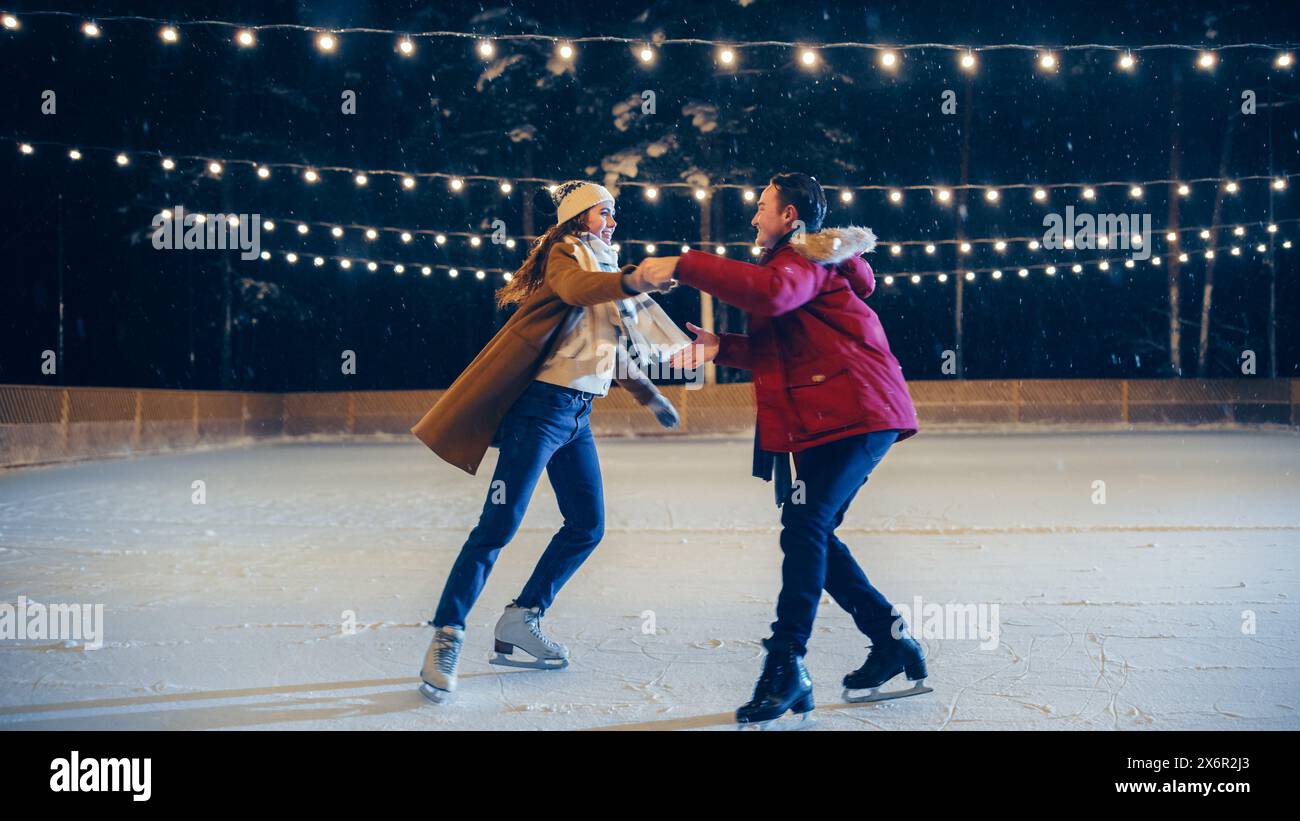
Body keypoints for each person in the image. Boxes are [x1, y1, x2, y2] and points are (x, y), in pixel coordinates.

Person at [657, 172, 926, 727]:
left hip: (857, 412)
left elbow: (774, 295)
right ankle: (891, 642)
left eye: (762, 206)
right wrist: (719, 349)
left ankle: (786, 665)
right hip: (835, 416)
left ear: (791, 216)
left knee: (805, 528)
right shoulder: (798, 263)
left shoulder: (800, 259)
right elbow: (784, 348)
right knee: (811, 531)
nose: (754, 216)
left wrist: (683, 264)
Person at [410, 180, 684, 702]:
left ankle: (523, 616)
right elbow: (577, 289)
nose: (613, 221)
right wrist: (632, 279)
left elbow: (605, 351)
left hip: (576, 416)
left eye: (614, 214)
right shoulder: (569, 256)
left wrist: (650, 397)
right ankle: (447, 634)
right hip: (542, 411)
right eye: (605, 213)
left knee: (587, 525)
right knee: (500, 523)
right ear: (581, 218)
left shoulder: (603, 269)